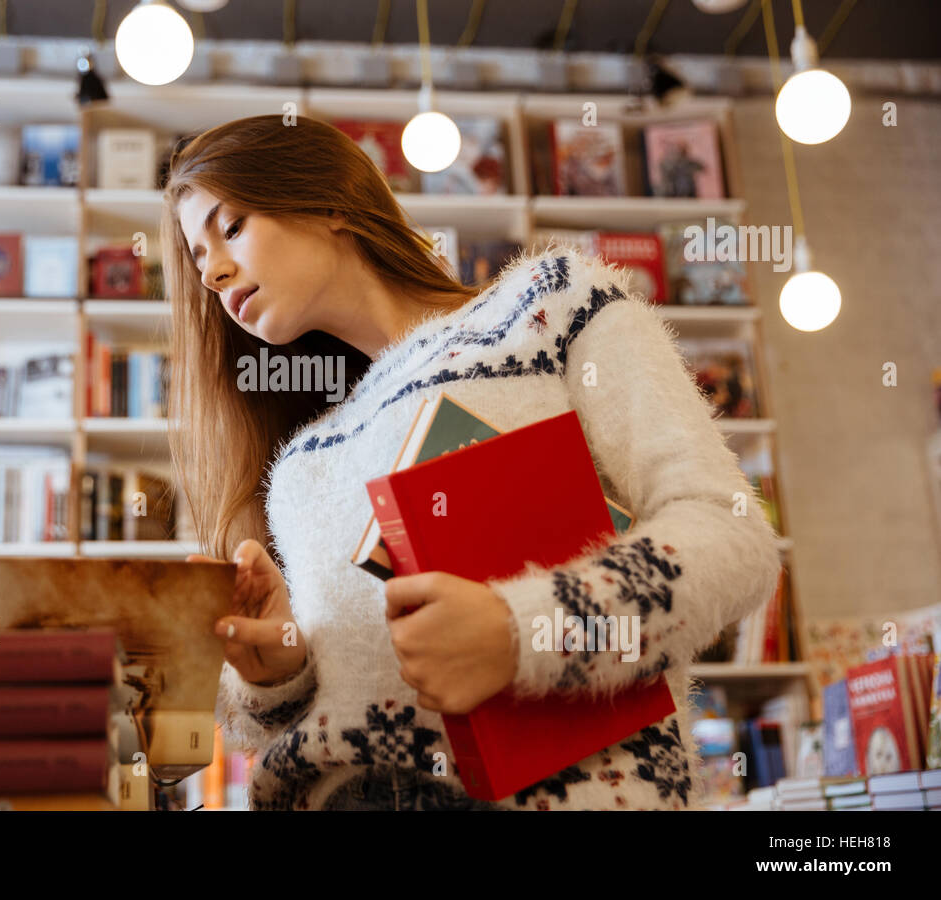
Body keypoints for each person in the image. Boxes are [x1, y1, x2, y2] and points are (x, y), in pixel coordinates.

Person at [163, 115, 780, 810]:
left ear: (330, 200)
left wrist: (520, 631)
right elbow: (314, 713)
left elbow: (729, 533)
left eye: (233, 226)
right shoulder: (300, 462)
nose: (213, 273)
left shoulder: (549, 307)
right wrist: (280, 667)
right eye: (197, 259)